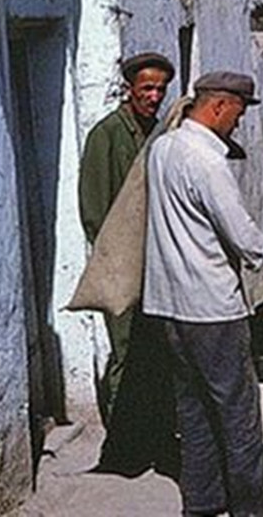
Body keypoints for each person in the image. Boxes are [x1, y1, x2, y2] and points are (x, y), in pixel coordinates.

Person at [144, 71, 263, 517]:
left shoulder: (162, 148)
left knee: (194, 410)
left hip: (168, 304)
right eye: (238, 114)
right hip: (211, 308)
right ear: (219, 106)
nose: (238, 124)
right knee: (237, 410)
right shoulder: (207, 161)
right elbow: (243, 236)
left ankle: (203, 504)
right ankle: (251, 507)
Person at [77, 51, 175, 447]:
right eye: (147, 88)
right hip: (121, 264)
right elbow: (95, 208)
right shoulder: (107, 135)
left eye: (160, 89)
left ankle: (157, 434)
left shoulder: (160, 133)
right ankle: (123, 441)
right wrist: (117, 258)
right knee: (125, 352)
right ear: (130, 89)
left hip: (156, 263)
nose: (154, 96)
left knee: (156, 352)